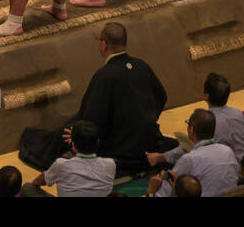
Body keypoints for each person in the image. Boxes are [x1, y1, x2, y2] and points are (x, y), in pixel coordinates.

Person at [60, 22, 169, 175]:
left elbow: (92, 118)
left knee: (63, 135)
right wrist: (146, 119)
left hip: (119, 149)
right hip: (149, 141)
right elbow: (162, 96)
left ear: (104, 45)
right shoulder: (141, 65)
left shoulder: (104, 75)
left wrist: (78, 134)